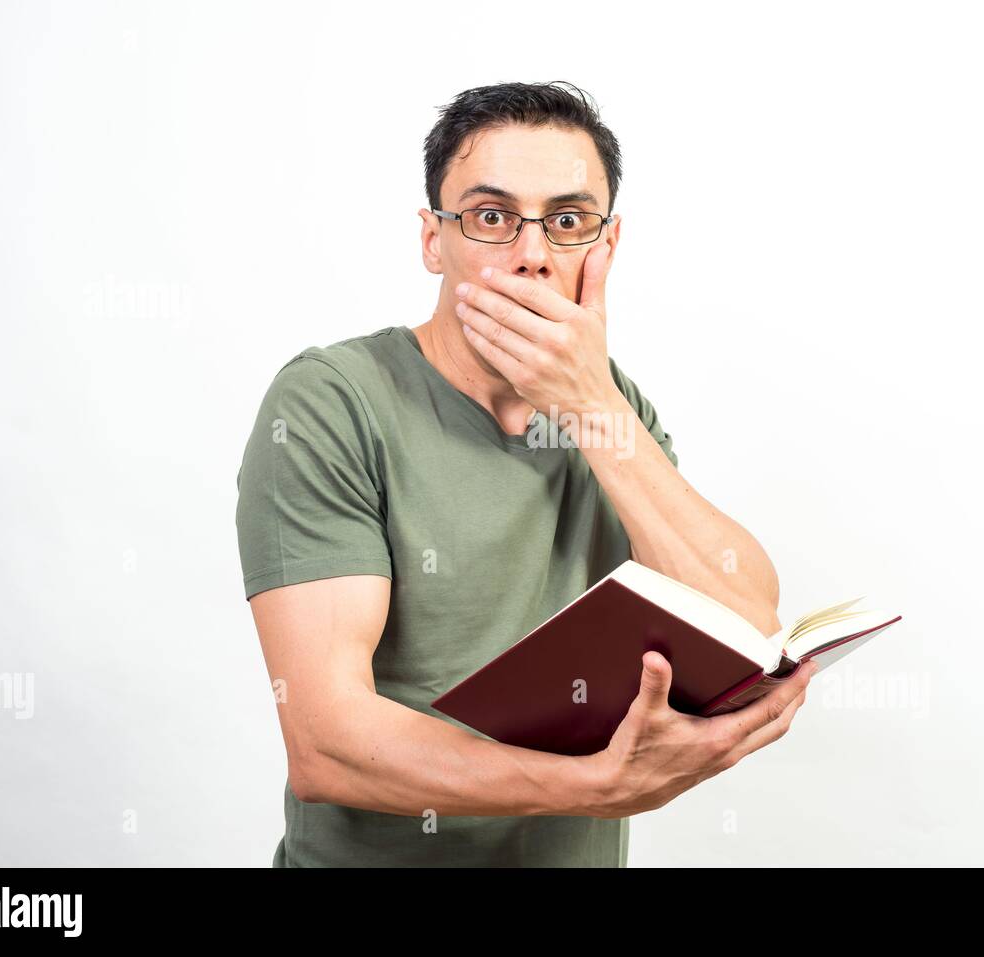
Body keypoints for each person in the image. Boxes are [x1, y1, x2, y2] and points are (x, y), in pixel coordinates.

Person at [234, 80, 818, 867]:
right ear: (433, 240)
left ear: (605, 248)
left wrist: (588, 404)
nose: (533, 255)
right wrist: (595, 787)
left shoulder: (610, 408)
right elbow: (325, 742)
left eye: (568, 221)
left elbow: (747, 625)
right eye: (490, 217)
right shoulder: (331, 402)